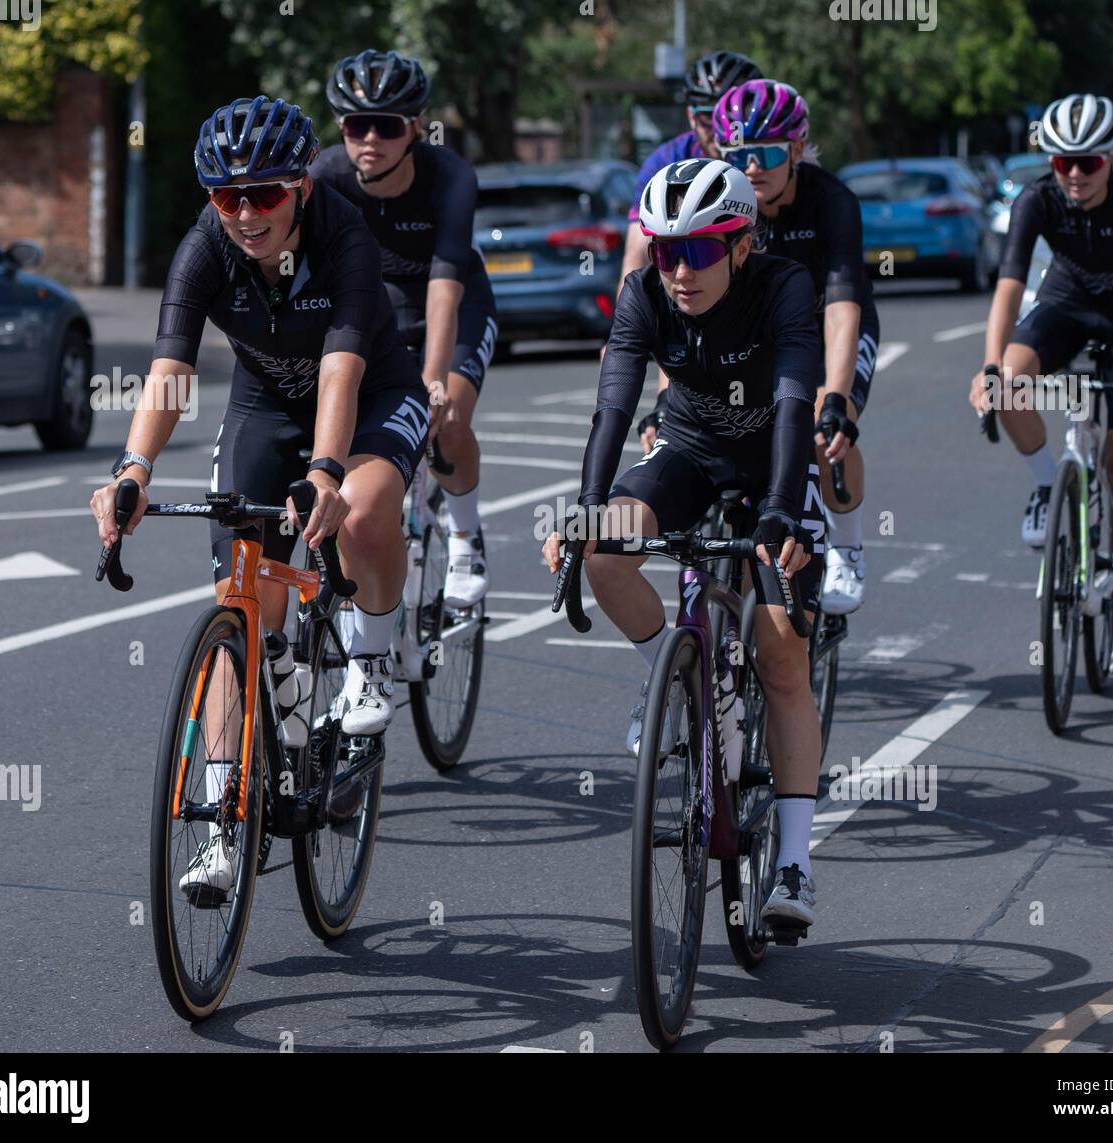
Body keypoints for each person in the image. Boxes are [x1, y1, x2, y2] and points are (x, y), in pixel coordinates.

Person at [89, 96, 430, 898]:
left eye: (265, 195)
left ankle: (372, 659)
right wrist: (134, 468)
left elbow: (343, 370)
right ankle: (216, 822)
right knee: (239, 604)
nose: (245, 214)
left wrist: (325, 470)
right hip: (264, 404)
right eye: (226, 197)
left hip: (372, 393)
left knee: (366, 505)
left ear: (302, 188)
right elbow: (171, 372)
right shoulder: (206, 245)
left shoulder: (343, 233)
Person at [542, 158, 827, 931]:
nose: (679, 270)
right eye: (665, 250)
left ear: (741, 246)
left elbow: (798, 402)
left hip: (776, 462)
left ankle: (796, 861)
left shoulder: (784, 287)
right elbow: (614, 404)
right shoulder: (643, 293)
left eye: (699, 251)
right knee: (606, 548)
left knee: (779, 657)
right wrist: (588, 510)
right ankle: (678, 677)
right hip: (692, 453)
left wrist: (780, 513)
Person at [968, 93, 1113, 670]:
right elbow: (1008, 286)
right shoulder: (1038, 199)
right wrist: (988, 365)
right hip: (1064, 304)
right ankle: (1045, 485)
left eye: (1089, 163)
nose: (1075, 175)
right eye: (1062, 163)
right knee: (1008, 382)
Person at [312, 49, 497, 608]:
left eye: (387, 126)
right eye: (356, 125)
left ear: (415, 127)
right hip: (374, 309)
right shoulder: (324, 175)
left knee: (449, 416)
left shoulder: (450, 176)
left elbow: (445, 282)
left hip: (455, 302)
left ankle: (467, 532)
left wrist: (434, 378)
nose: (370, 139)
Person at [710, 78, 879, 614]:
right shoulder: (723, 202)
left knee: (825, 425)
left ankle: (847, 545)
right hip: (762, 332)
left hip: (830, 321)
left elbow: (843, 302)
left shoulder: (832, 202)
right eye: (739, 155)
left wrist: (836, 396)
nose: (752, 167)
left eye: (767, 154)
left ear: (798, 150)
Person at [614, 51, 763, 296]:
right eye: (708, 116)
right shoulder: (665, 162)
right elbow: (637, 257)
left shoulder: (767, 162)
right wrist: (626, 327)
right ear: (691, 116)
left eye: (732, 117)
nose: (720, 130)